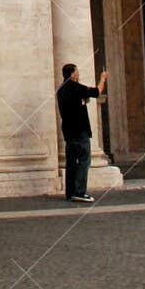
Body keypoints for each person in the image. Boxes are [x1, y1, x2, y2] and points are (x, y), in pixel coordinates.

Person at [56, 62, 107, 203]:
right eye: (77, 72)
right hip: (80, 130)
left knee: (71, 162)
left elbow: (76, 103)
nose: (78, 74)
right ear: (72, 74)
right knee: (84, 161)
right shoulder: (76, 88)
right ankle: (80, 191)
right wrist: (103, 78)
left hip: (68, 131)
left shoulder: (61, 90)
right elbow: (97, 92)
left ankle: (70, 192)